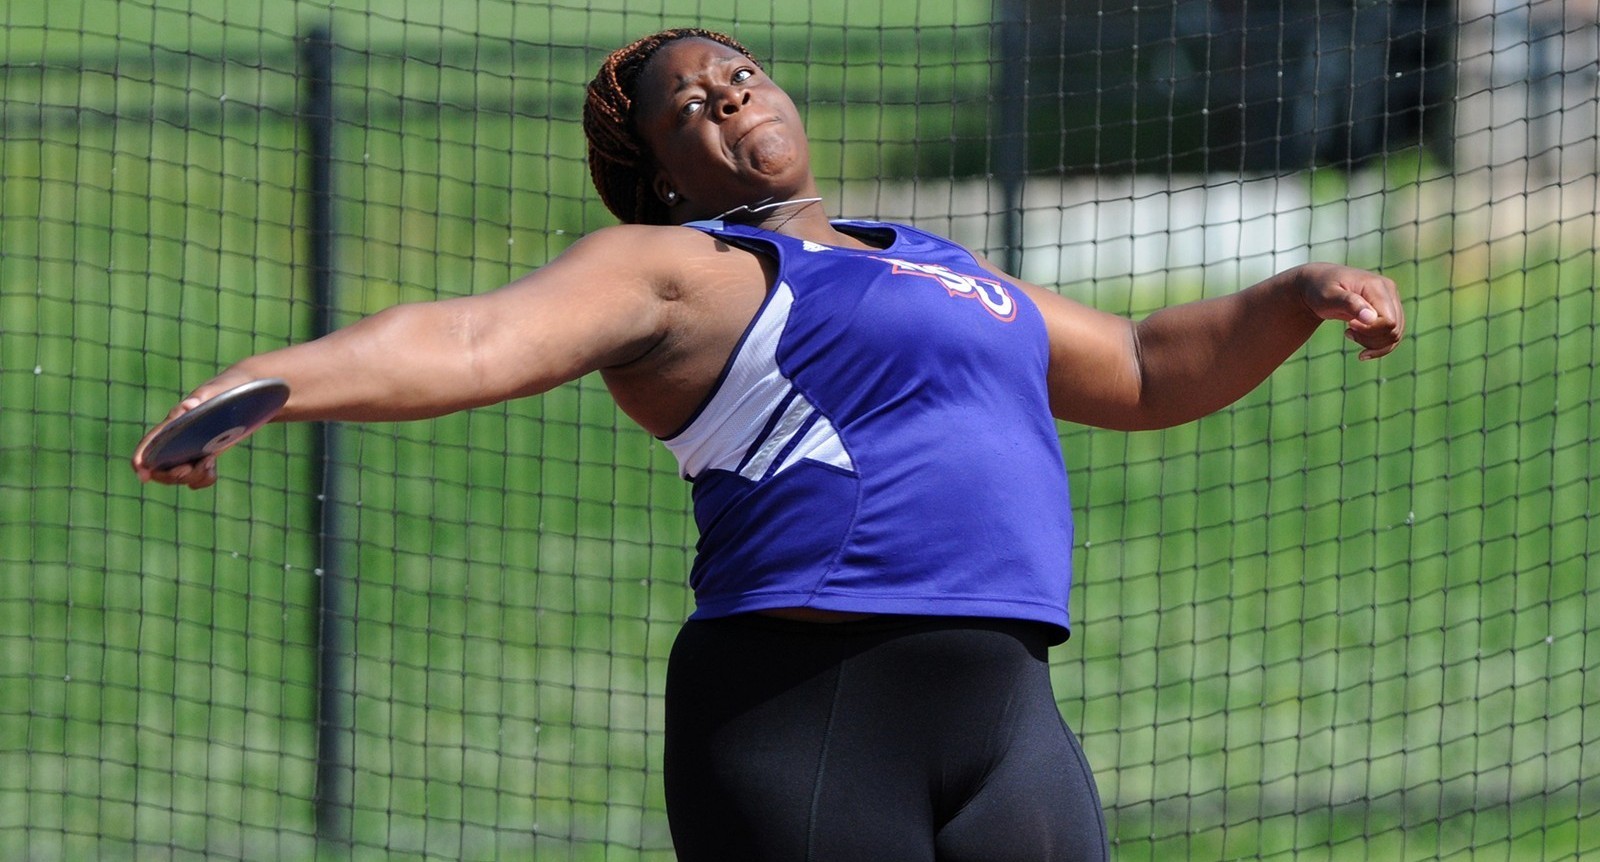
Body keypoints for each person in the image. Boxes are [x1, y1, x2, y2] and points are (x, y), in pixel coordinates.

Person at [133, 27, 1404, 862]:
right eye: (687, 104)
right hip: (807, 711)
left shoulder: (940, 263)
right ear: (665, 179)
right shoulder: (679, 268)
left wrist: (1294, 295)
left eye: (737, 72)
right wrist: (267, 385)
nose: (725, 93)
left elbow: (1139, 365)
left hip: (1008, 709)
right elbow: (471, 340)